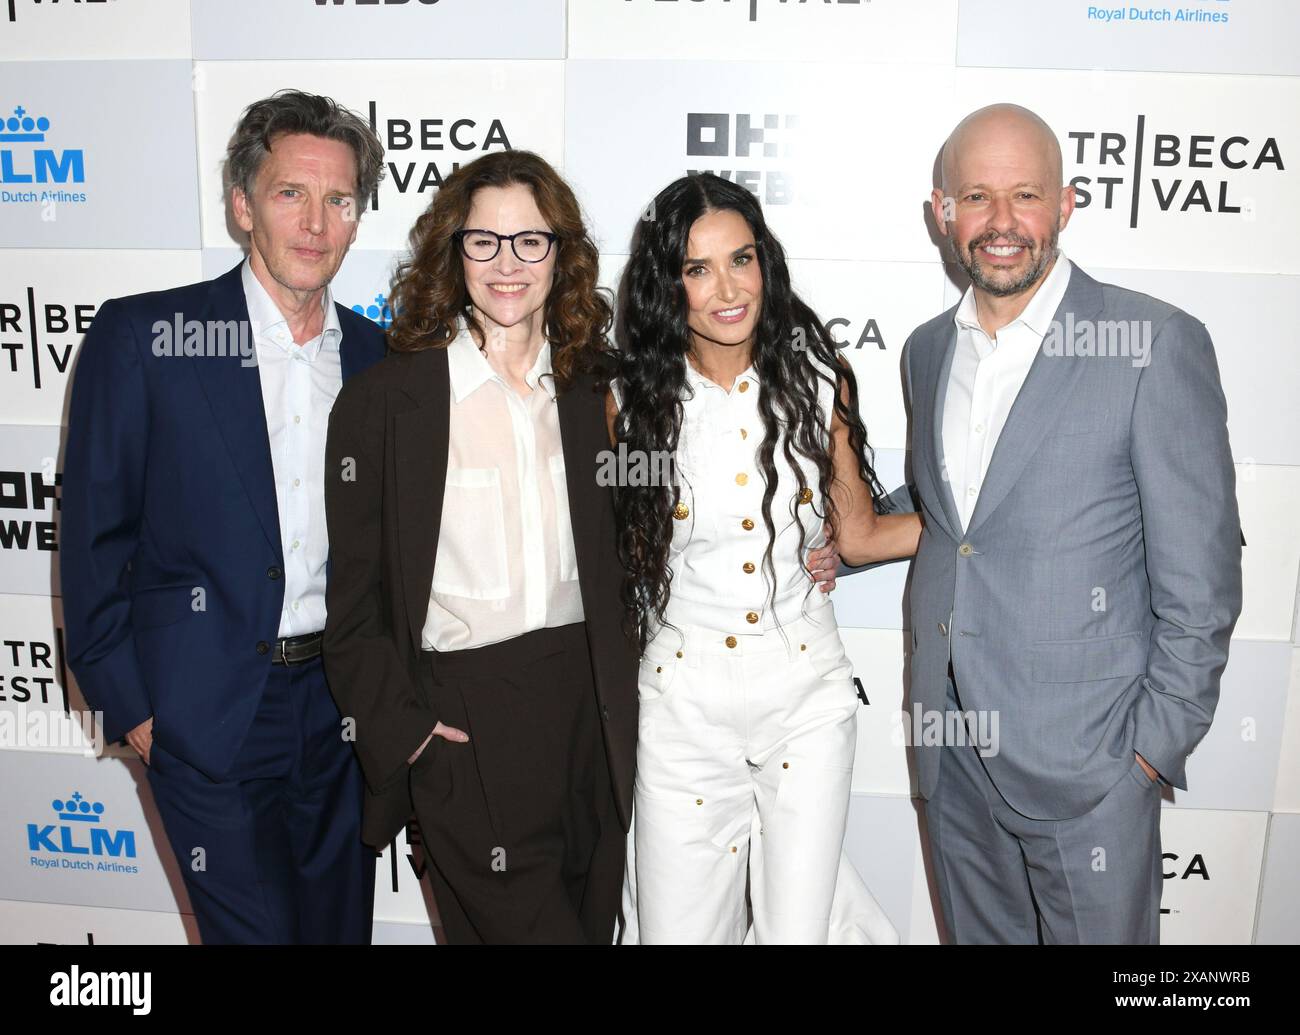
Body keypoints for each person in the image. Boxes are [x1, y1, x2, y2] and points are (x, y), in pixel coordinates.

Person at [905, 103, 1242, 944]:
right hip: (952, 757)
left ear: (1066, 204)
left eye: (1026, 195)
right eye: (977, 197)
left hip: (1091, 768)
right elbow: (957, 525)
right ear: (943, 212)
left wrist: (1144, 755)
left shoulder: (1152, 343)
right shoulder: (926, 351)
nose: (1002, 222)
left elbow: (1201, 587)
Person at [61, 90, 386, 943]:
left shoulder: (381, 359)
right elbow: (94, 543)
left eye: (339, 200)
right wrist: (133, 707)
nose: (316, 222)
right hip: (206, 712)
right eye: (290, 194)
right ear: (244, 206)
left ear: (358, 218)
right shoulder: (148, 338)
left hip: (343, 712)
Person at [322, 150, 641, 944]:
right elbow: (355, 608)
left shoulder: (598, 391)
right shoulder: (384, 405)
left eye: (529, 241)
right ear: (451, 251)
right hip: (467, 730)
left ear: (561, 254)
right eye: (483, 241)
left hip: (594, 717)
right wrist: (411, 737)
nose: (507, 264)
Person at [609, 173, 921, 944]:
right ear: (666, 283)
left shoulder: (820, 379)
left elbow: (857, 535)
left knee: (796, 935)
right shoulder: (628, 400)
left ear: (765, 263)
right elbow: (607, 555)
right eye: (697, 267)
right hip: (680, 705)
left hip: (805, 697)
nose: (726, 288)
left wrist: (992, 528)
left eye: (741, 259)